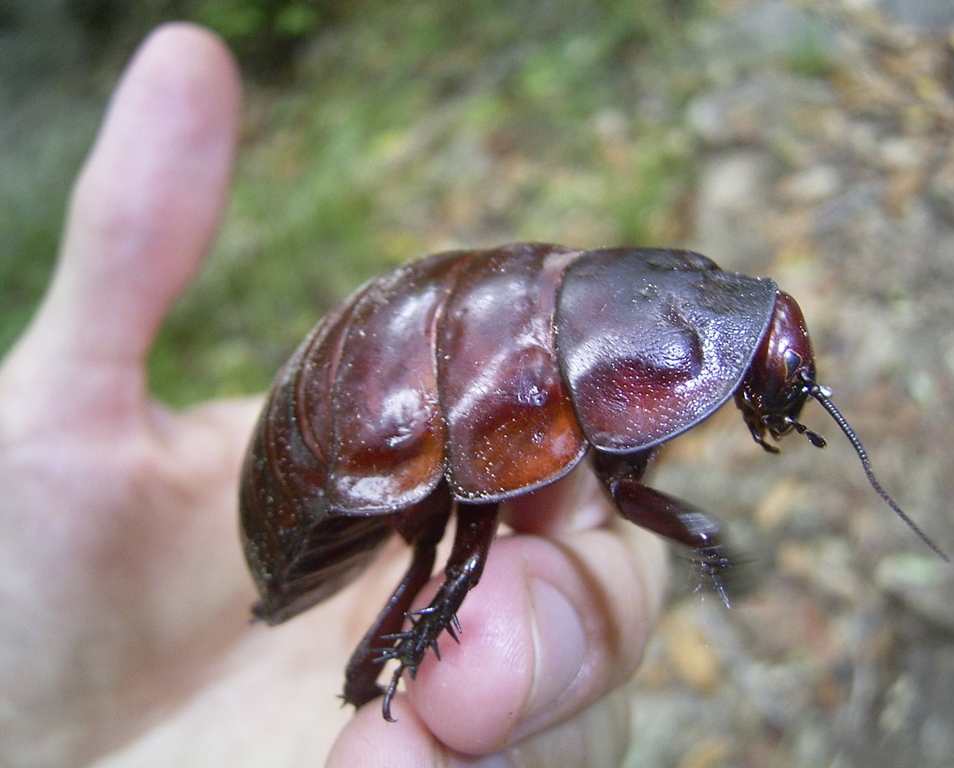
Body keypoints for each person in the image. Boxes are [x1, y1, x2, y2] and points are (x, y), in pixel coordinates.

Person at [0, 23, 668, 768]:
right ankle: (375, 697)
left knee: (462, 577)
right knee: (456, 564)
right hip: (320, 477)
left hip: (339, 458)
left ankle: (381, 711)